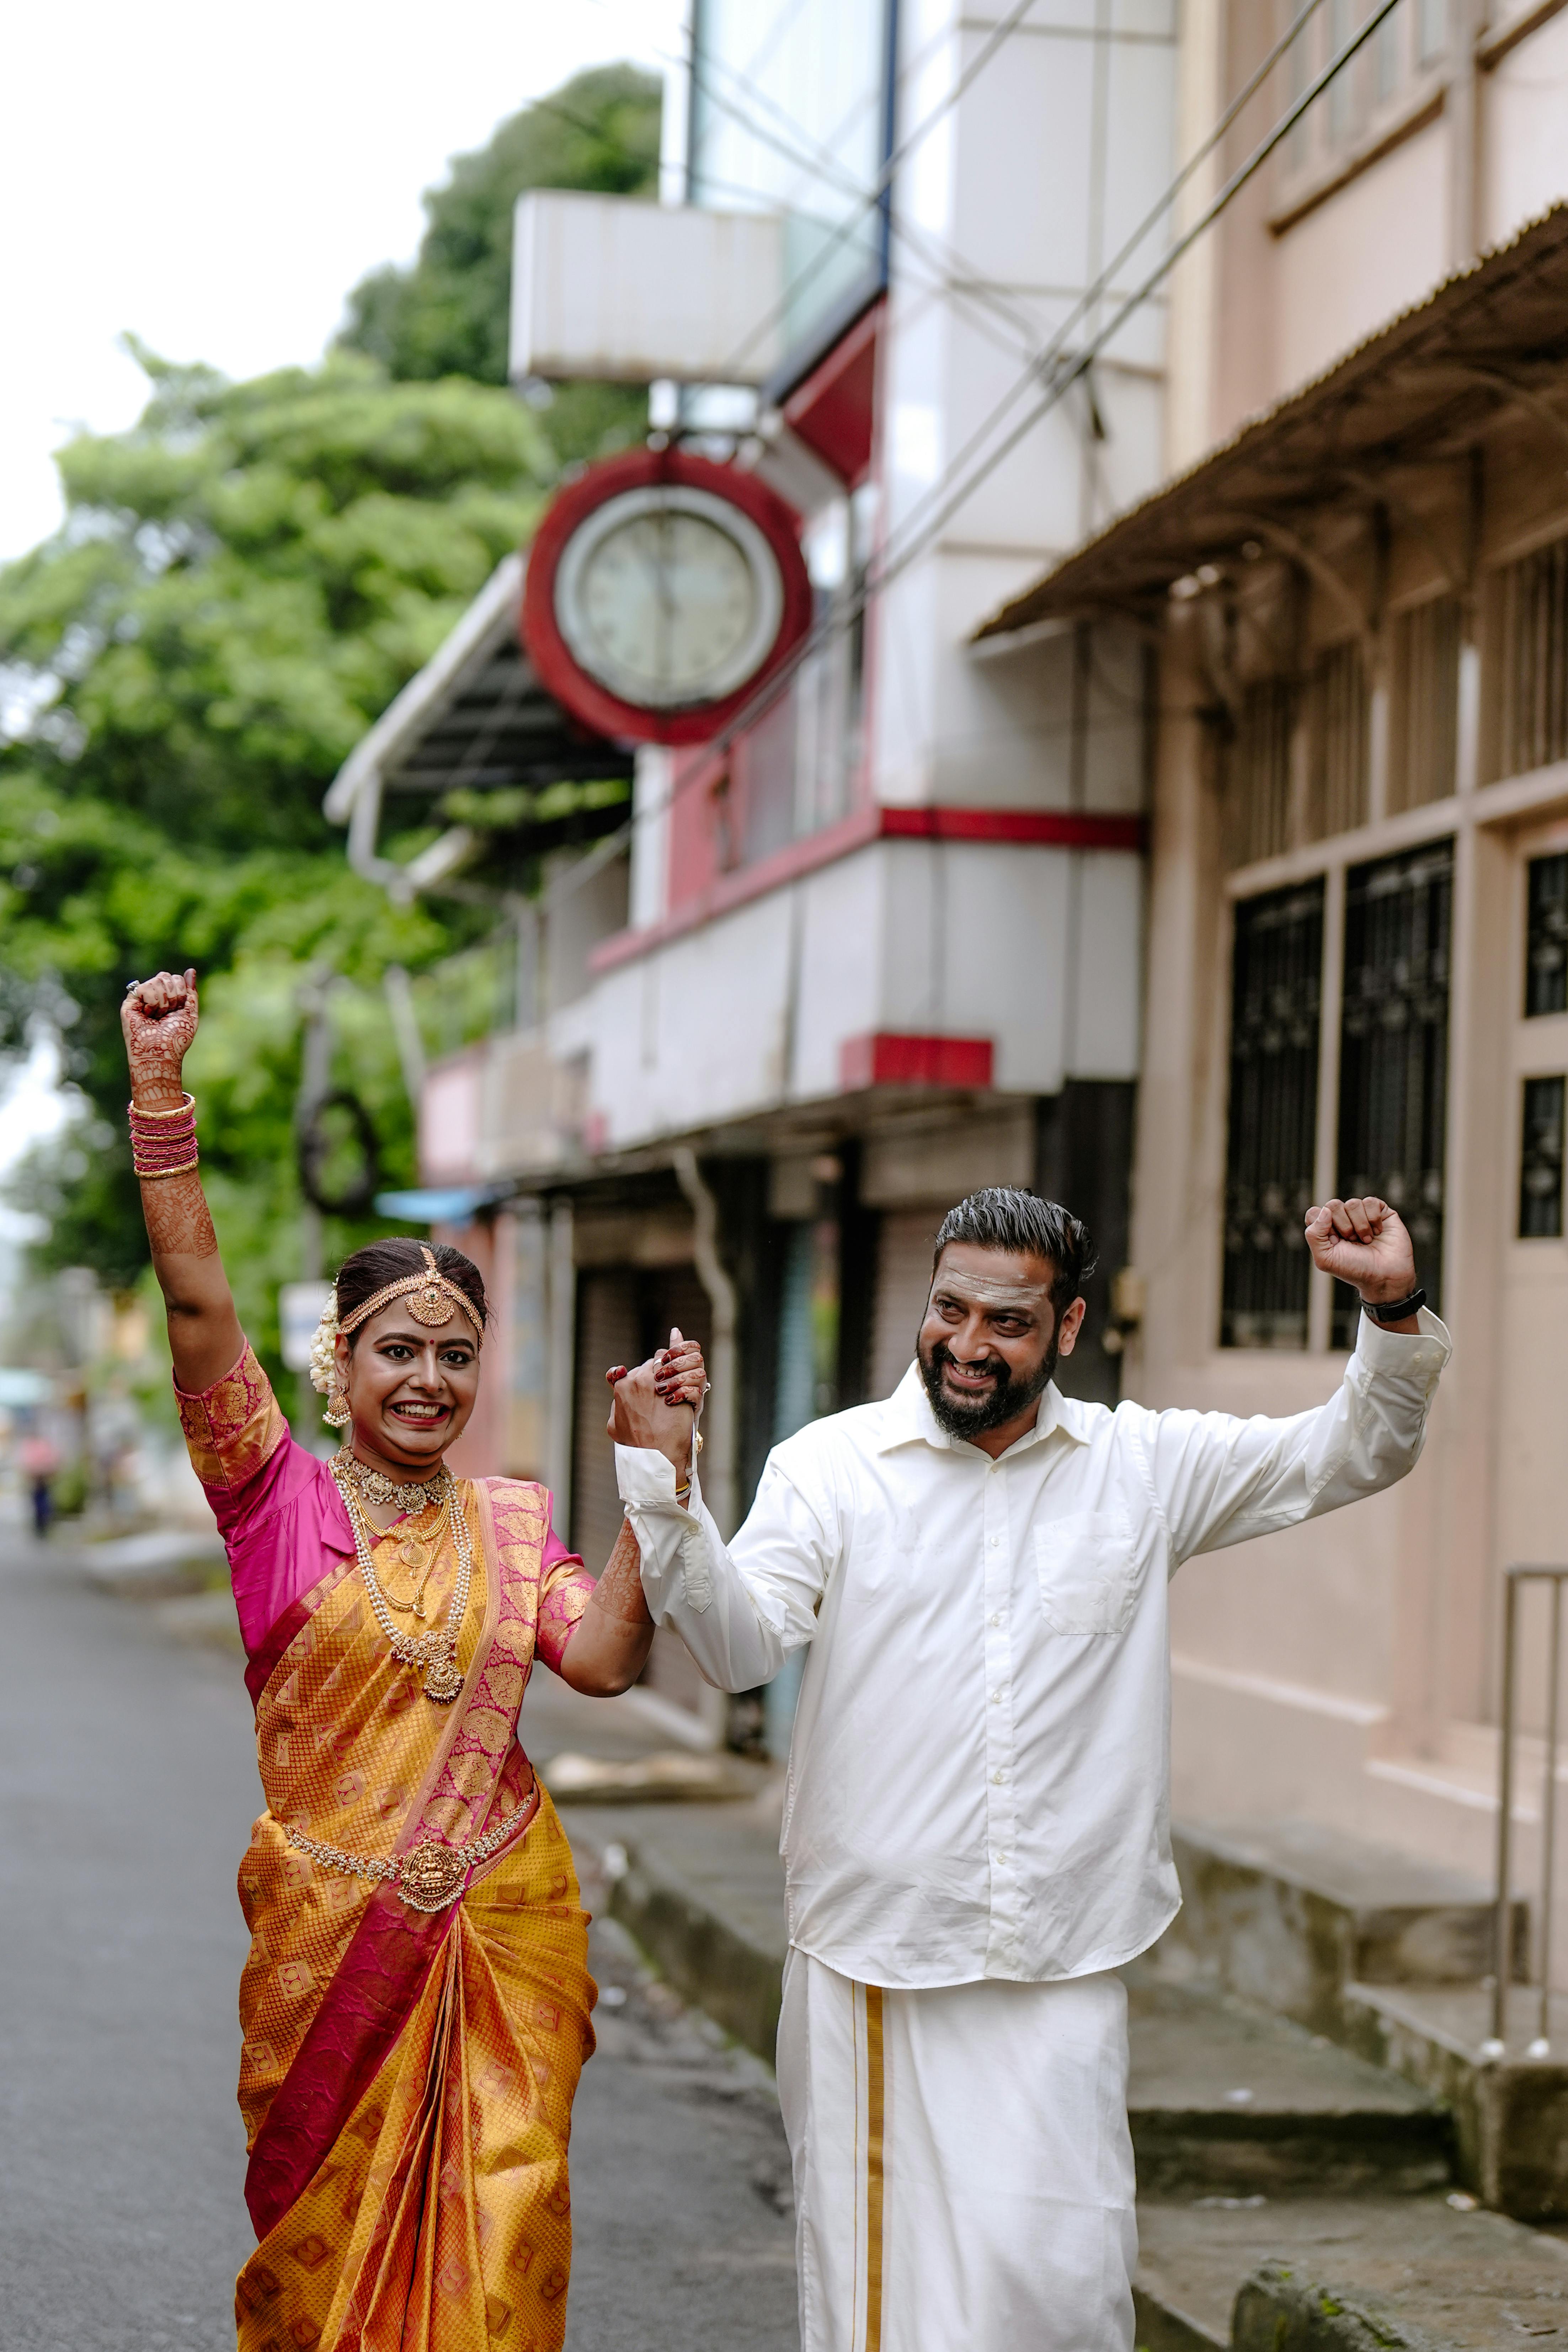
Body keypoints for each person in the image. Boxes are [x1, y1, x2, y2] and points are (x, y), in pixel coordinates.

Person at [608, 1184, 1451, 2352]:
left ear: (1066, 1329)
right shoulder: (830, 1467)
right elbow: (733, 1648)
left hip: (1064, 1960)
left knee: (1060, 2295)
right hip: (876, 1962)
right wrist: (665, 1486)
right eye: (947, 1309)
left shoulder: (1143, 1465)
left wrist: (1393, 1305)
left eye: (1005, 1322)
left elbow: (1353, 1451)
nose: (964, 1344)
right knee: (885, 2313)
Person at [120, 968, 702, 2352]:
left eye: (454, 1353)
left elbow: (607, 1660)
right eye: (397, 1350)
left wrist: (657, 1483)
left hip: (496, 1931)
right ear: (340, 1361)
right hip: (334, 1955)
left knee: (496, 2246)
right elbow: (199, 1309)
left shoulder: (513, 1527)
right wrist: (159, 1098)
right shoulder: (275, 1497)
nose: (428, 1378)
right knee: (326, 2276)